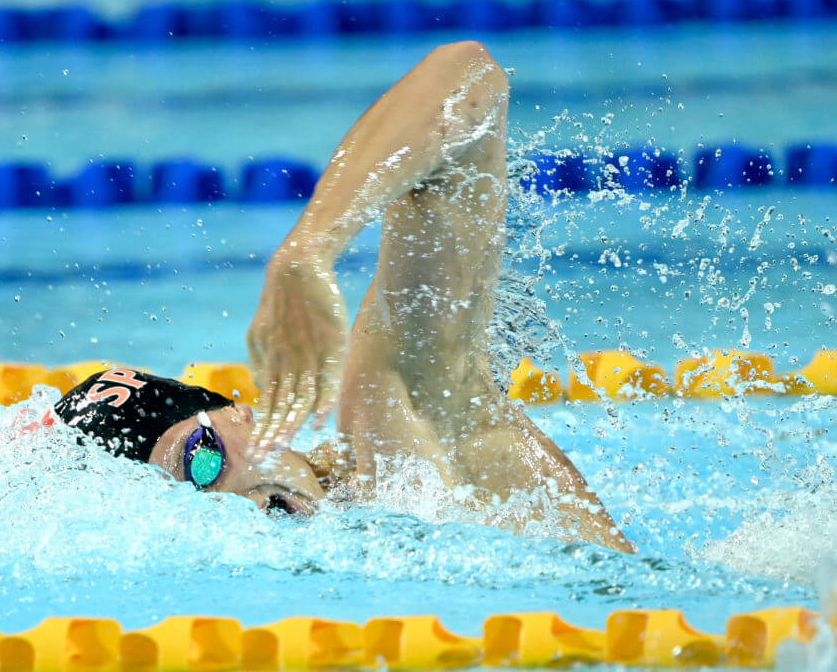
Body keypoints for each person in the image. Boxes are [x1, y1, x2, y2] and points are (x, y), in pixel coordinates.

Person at [53, 41, 635, 552]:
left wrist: (306, 252)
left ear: (241, 414)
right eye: (180, 513)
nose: (225, 506)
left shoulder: (401, 429)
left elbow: (469, 77)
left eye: (201, 462)